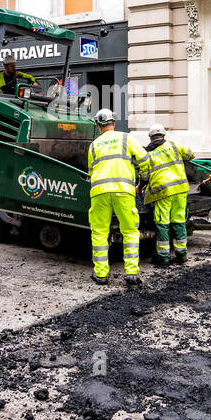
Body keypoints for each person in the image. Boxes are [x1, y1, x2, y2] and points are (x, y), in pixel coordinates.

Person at [86, 108, 149, 288]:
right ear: (114, 123)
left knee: (99, 233)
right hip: (124, 191)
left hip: (100, 192)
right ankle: (131, 274)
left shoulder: (94, 145)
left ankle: (101, 275)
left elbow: (91, 172)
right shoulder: (126, 138)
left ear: (99, 126)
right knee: (130, 231)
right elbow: (145, 161)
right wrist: (141, 184)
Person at [143, 124, 195, 267]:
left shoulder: (148, 154)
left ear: (150, 138)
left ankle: (164, 256)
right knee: (178, 220)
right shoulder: (174, 145)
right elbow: (191, 155)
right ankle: (181, 254)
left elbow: (145, 176)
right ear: (164, 136)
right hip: (180, 189)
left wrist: (140, 188)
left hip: (163, 191)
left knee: (162, 223)